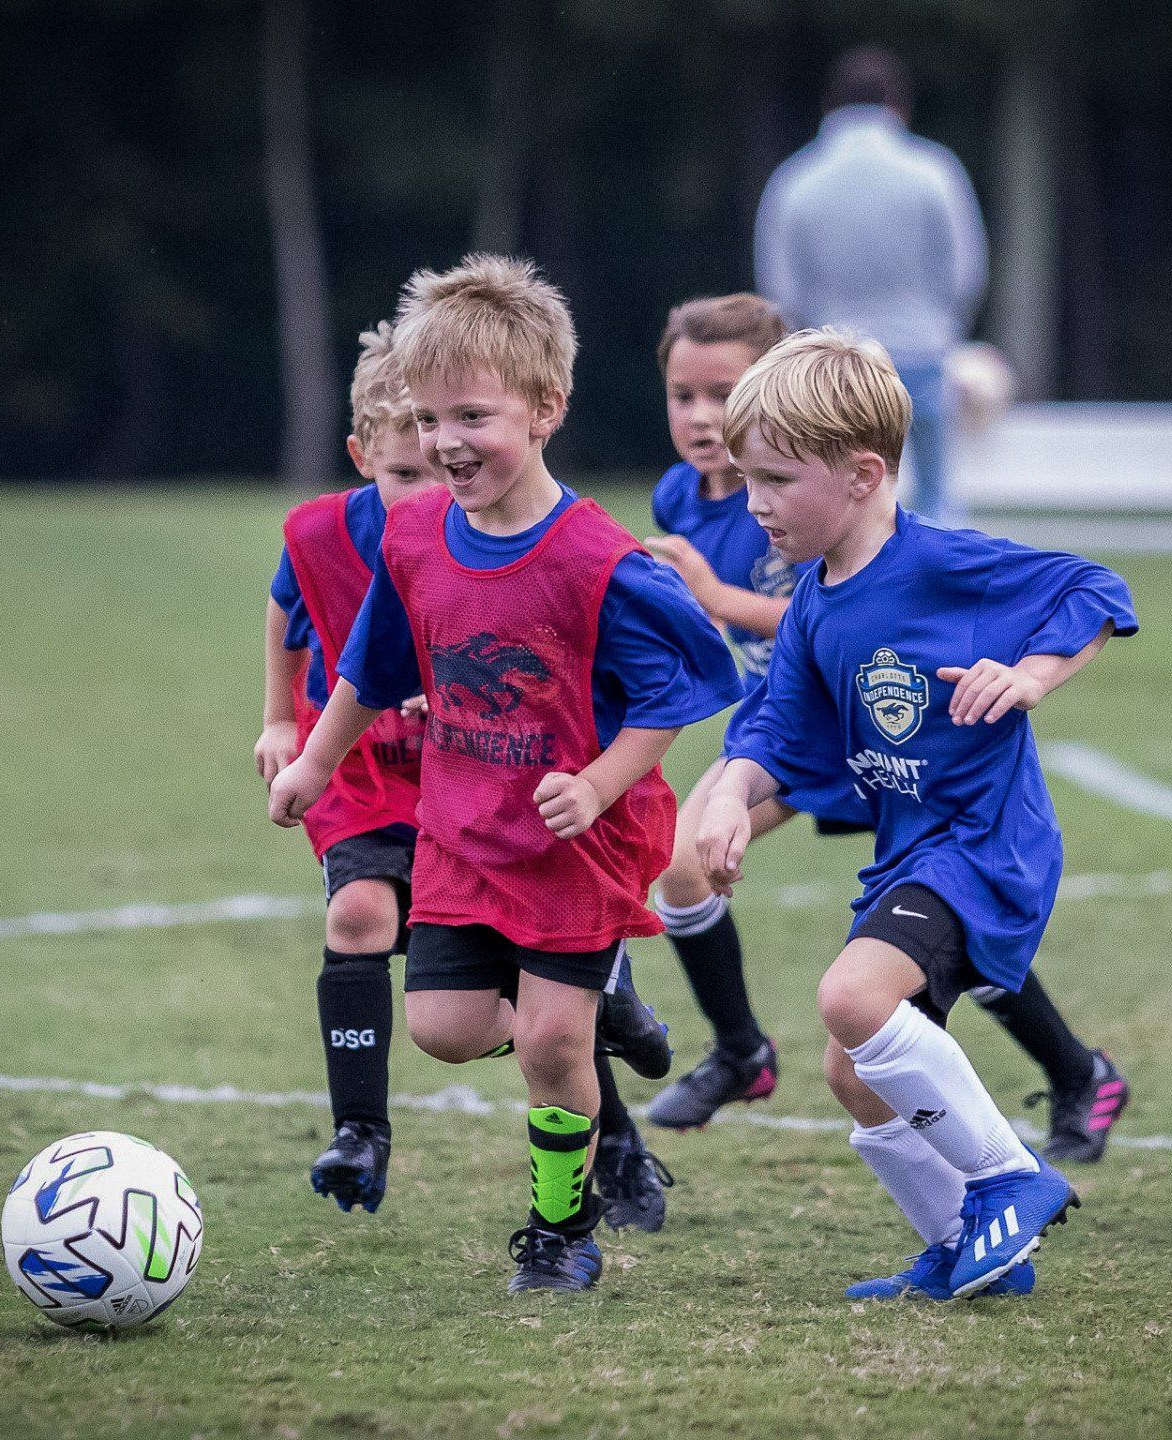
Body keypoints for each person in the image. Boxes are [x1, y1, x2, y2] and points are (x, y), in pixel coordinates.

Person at [270, 256, 741, 1292]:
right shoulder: (414, 533)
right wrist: (314, 758)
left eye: (471, 418)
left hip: (578, 841)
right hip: (463, 829)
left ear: (545, 409)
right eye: (432, 422)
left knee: (547, 1050)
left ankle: (561, 1232)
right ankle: (605, 1008)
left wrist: (603, 784)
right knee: (440, 1030)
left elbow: (679, 687)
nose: (446, 445)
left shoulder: (598, 561)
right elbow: (370, 664)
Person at [701, 329, 1137, 1302]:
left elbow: (1094, 591)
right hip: (914, 852)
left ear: (862, 475)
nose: (755, 504)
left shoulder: (944, 563)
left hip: (984, 845)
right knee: (857, 1072)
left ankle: (1009, 1182)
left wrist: (1028, 674)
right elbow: (782, 731)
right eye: (746, 479)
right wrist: (731, 792)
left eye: (773, 480)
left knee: (853, 1001)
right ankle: (967, 1250)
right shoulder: (814, 604)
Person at [253, 322, 438, 1214]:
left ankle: (617, 1131)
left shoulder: (487, 538)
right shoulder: (321, 533)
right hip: (358, 773)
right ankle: (360, 1133)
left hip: (464, 779)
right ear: (363, 456)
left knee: (520, 986)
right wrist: (282, 718)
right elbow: (284, 607)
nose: (423, 497)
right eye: (404, 475)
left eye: (440, 473)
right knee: (360, 909)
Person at [754, 46, 986, 525]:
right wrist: (944, 329)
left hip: (832, 368)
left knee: (846, 505)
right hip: (922, 352)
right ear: (899, 106)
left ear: (828, 106)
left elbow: (780, 292)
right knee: (938, 499)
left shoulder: (795, 180)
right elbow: (965, 272)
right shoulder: (934, 171)